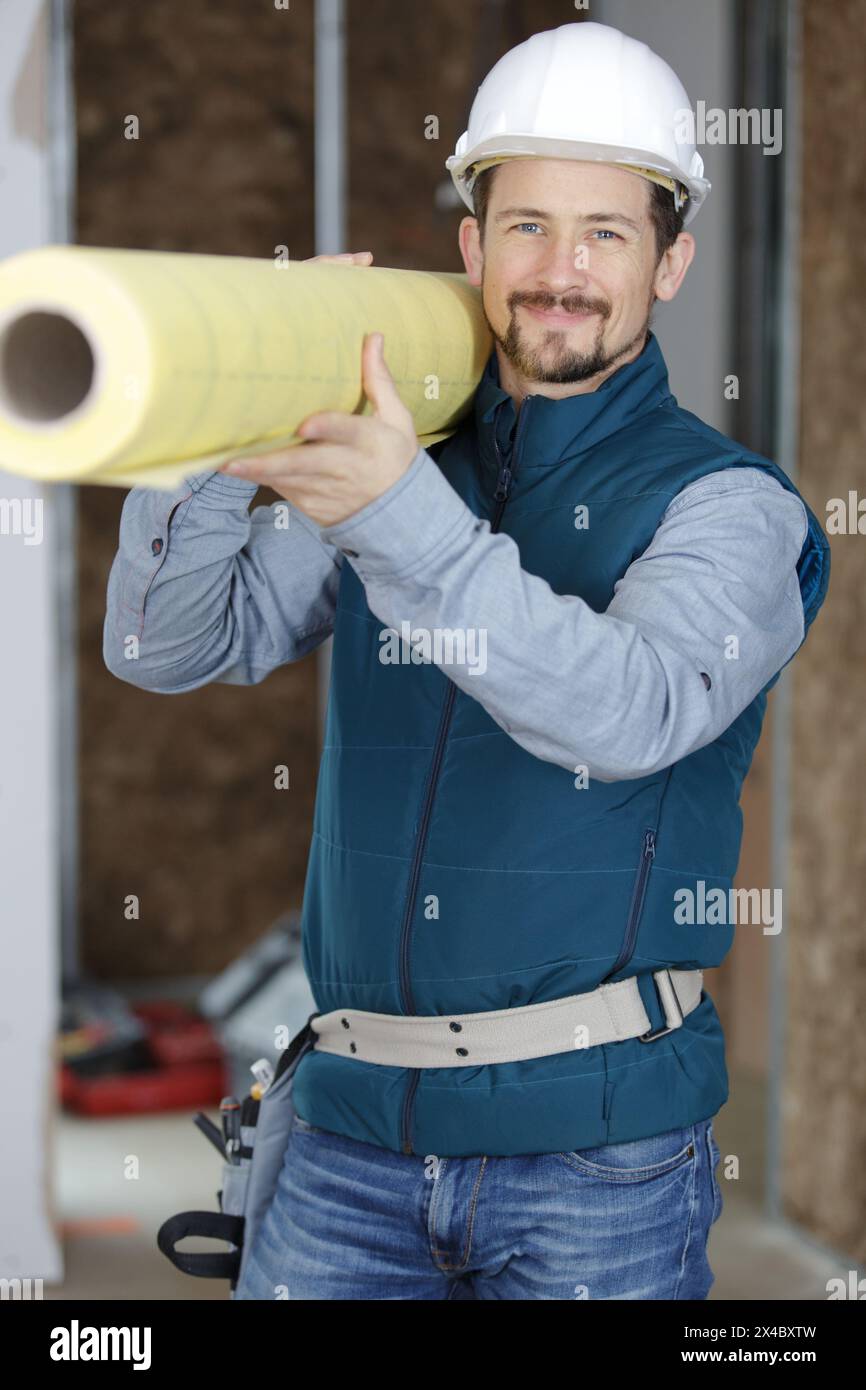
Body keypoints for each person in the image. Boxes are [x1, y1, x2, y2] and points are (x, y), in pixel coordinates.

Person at [103, 22, 829, 1299]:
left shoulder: (727, 507)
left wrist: (394, 516)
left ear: (670, 263)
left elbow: (630, 710)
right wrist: (216, 419)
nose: (560, 271)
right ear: (469, 247)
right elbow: (169, 645)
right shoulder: (406, 455)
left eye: (606, 233)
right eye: (526, 226)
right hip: (345, 1140)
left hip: (592, 1160)